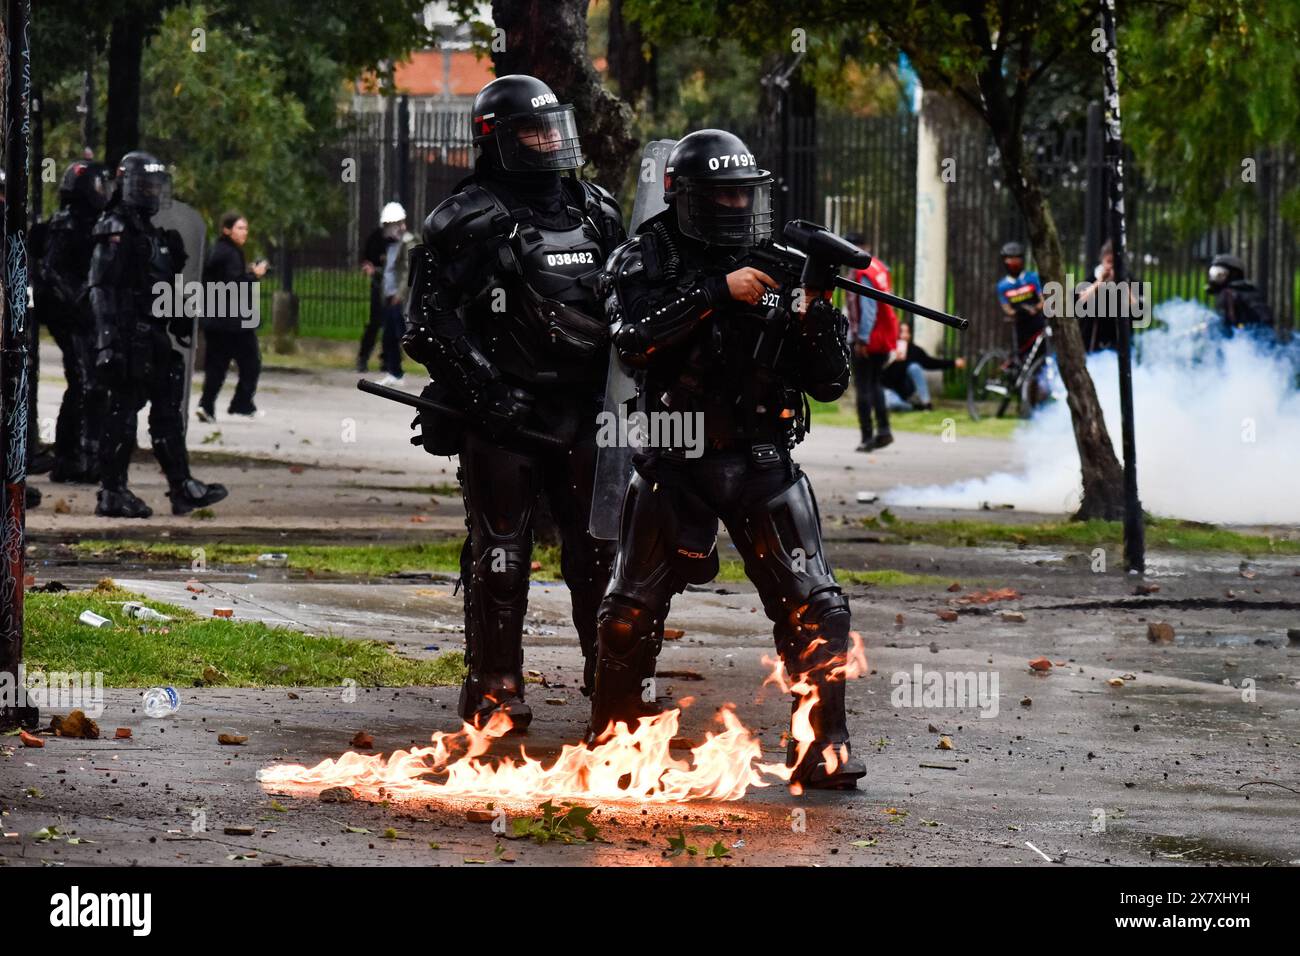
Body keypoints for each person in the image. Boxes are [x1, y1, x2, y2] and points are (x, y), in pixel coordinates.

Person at [593, 128, 865, 789]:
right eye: (720, 197)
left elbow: (827, 381)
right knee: (627, 617)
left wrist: (817, 308)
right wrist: (718, 292)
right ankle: (615, 748)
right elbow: (631, 339)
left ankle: (821, 748)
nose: (734, 210)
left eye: (743, 197)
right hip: (674, 459)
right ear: (685, 196)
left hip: (762, 459)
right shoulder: (643, 256)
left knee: (819, 610)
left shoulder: (779, 261)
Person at [402, 75, 625, 730]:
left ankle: (612, 685)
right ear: (498, 140)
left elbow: (628, 306)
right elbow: (427, 324)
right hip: (503, 418)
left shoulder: (598, 211)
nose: (548, 141)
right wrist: (487, 391)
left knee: (599, 554)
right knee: (501, 555)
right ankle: (494, 685)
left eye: (554, 127)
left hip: (584, 413)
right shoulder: (465, 219)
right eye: (533, 131)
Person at [89, 151, 229, 518]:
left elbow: (159, 285)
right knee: (121, 413)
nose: (152, 192)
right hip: (125, 338)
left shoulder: (153, 234)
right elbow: (102, 287)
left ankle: (181, 486)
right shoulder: (115, 227)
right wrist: (107, 342)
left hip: (153, 335)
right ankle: (113, 491)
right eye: (145, 184)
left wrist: (179, 316)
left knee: (167, 411)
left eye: (156, 185)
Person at [33, 160, 112, 483]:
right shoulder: (67, 224)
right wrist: (81, 301)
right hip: (71, 315)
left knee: (91, 383)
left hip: (84, 313)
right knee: (83, 381)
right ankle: (71, 456)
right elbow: (52, 273)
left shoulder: (94, 222)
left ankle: (84, 453)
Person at [197, 211, 267, 421]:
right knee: (251, 363)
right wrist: (254, 275)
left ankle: (206, 406)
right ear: (227, 230)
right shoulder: (229, 253)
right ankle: (242, 403)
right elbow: (232, 286)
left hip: (216, 319)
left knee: (216, 365)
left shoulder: (217, 250)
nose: (244, 232)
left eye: (245, 228)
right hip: (233, 321)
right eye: (239, 228)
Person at [845, 241, 897, 452]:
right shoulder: (879, 267)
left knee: (864, 386)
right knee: (875, 384)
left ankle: (867, 437)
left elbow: (868, 308)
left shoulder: (862, 272)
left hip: (870, 338)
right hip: (884, 335)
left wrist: (862, 339)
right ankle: (883, 431)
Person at [375, 202, 416, 387]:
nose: (386, 228)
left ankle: (435, 373)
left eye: (389, 224)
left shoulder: (407, 242)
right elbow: (389, 271)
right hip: (390, 297)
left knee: (408, 336)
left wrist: (400, 293)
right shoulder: (391, 245)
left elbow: (409, 271)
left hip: (401, 298)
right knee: (389, 336)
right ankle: (395, 373)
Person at [881, 322, 965, 410]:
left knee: (914, 367)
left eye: (907, 332)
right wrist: (892, 358)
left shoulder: (914, 350)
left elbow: (930, 363)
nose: (904, 335)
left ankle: (926, 403)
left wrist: (954, 363)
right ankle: (914, 407)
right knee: (893, 403)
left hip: (905, 387)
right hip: (889, 388)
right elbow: (880, 371)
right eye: (901, 332)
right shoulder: (888, 349)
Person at [1206, 253, 1274, 338]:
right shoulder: (1250, 291)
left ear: (1234, 274)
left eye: (1219, 274)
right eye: (1213, 274)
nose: (1214, 279)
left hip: (1236, 340)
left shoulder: (1228, 294)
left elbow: (1222, 322)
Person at [995, 241, 1044, 358]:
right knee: (1021, 355)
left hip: (1037, 322)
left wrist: (1035, 308)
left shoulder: (1032, 278)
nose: (1013, 263)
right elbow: (1006, 308)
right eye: (1010, 259)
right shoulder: (1002, 286)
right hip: (1019, 325)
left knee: (1040, 353)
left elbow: (1043, 299)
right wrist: (1018, 312)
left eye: (1017, 259)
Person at [356, 219, 389, 372]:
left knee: (392, 325)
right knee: (375, 322)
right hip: (378, 284)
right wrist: (369, 267)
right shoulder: (377, 236)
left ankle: (388, 359)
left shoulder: (401, 239)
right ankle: (363, 357)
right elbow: (366, 258)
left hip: (393, 286)